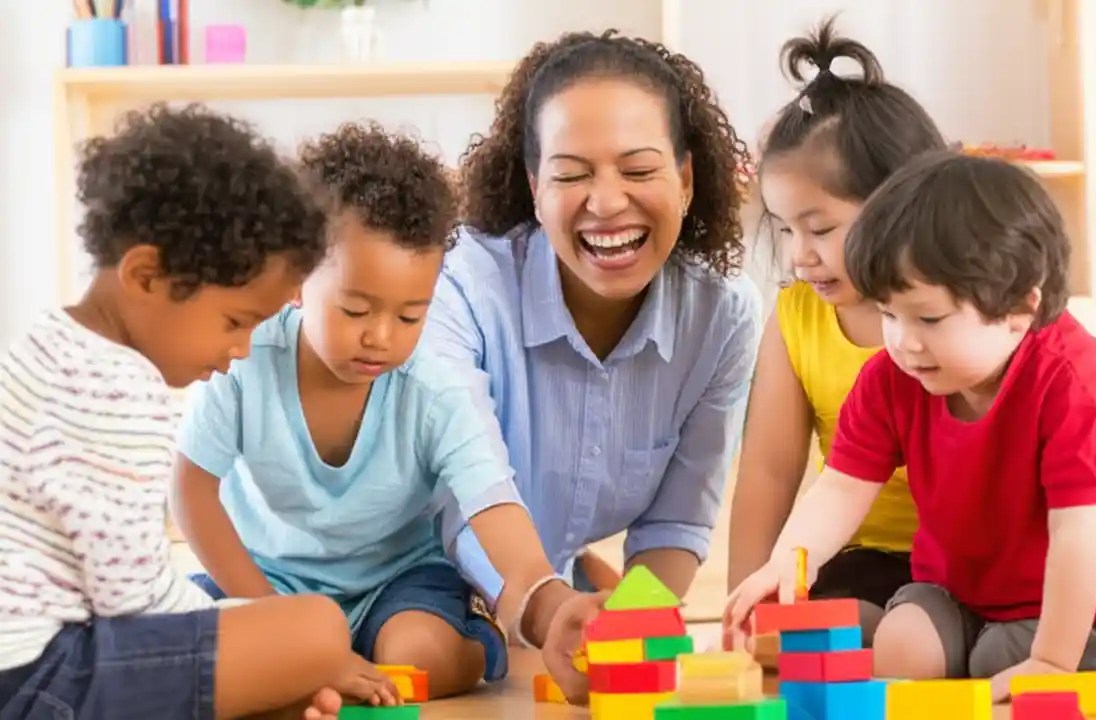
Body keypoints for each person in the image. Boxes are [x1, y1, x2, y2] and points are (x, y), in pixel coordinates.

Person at [725, 151, 1096, 700]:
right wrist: (785, 565)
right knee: (902, 652)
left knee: (995, 661)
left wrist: (1052, 662)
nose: (904, 342)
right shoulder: (893, 377)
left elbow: (1077, 534)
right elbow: (841, 487)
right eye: (888, 314)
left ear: (1019, 308)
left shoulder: (1072, 381)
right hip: (966, 591)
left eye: (929, 319)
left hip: (1090, 602)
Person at [0, 104, 388, 719]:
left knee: (274, 646)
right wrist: (275, 648)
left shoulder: (44, 343)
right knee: (318, 631)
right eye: (235, 322)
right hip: (44, 680)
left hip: (32, 664)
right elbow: (134, 603)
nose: (241, 351)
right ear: (146, 276)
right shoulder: (121, 389)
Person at [173, 123, 585, 700]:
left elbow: (491, 500)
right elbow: (191, 492)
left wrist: (545, 592)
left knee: (418, 657)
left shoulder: (432, 388)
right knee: (189, 649)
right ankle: (323, 665)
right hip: (267, 579)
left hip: (396, 587)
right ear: (296, 281)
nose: (382, 337)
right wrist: (277, 623)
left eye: (411, 316)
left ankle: (469, 638)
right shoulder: (245, 357)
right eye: (355, 310)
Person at [423, 28, 761, 701]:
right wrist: (550, 610)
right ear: (534, 187)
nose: (605, 203)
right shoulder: (462, 286)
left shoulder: (722, 316)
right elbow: (471, 485)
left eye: (637, 171)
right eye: (572, 174)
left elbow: (676, 522)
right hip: (408, 576)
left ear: (685, 179)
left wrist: (623, 634)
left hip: (540, 591)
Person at [725, 18, 945, 644]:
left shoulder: (962, 316)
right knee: (796, 641)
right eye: (785, 229)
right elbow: (769, 472)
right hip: (860, 559)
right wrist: (746, 603)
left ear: (899, 203)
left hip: (971, 556)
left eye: (820, 229)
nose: (800, 256)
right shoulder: (797, 317)